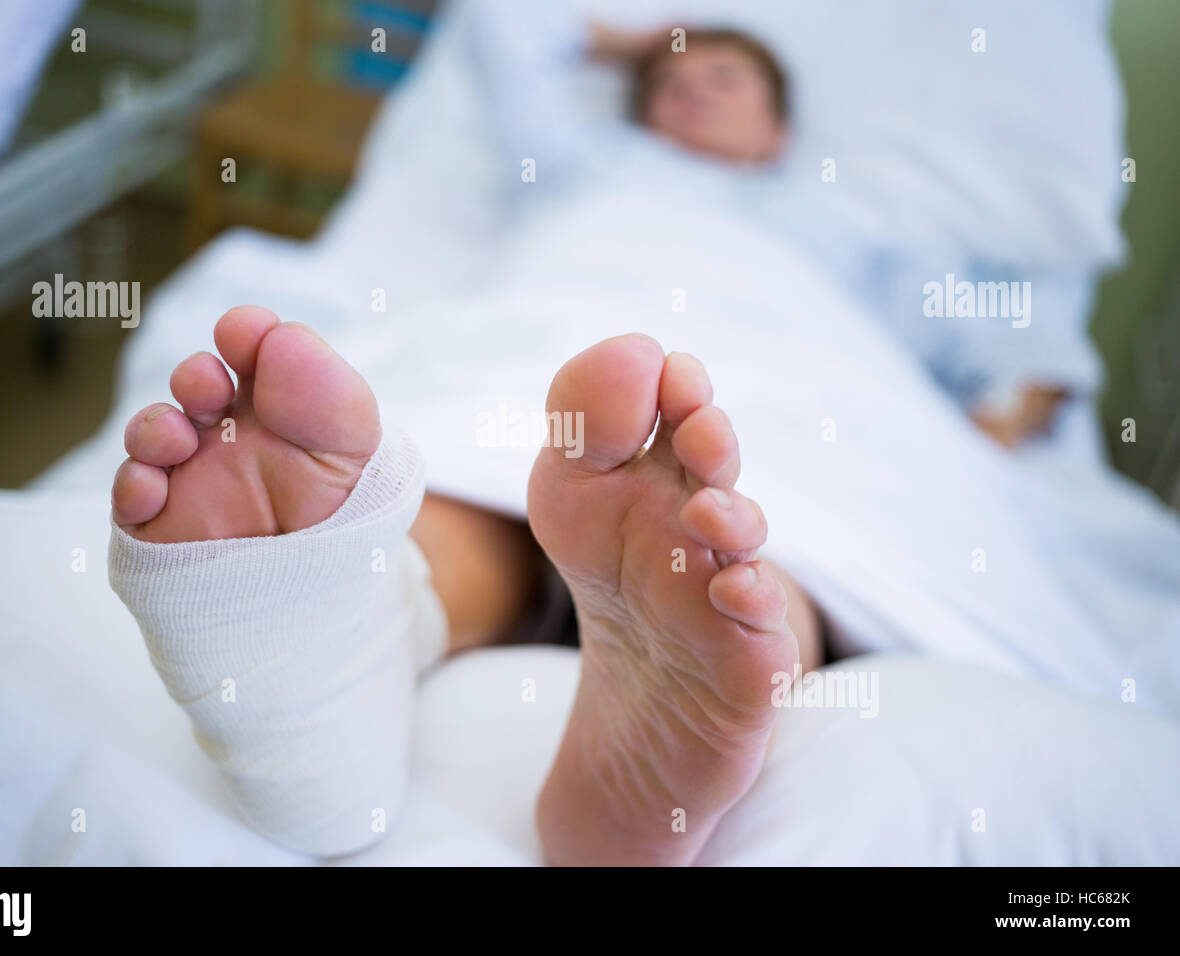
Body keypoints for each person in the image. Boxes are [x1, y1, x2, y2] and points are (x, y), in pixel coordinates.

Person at [103, 22, 1057, 867]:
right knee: (510, 476)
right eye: (675, 82)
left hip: (789, 364)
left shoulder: (844, 230)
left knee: (750, 535)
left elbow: (1004, 343)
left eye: (726, 79)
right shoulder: (586, 167)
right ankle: (340, 623)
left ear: (781, 131)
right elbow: (507, 27)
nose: (693, 88)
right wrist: (631, 47)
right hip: (561, 313)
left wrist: (1013, 415)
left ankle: (672, 684)